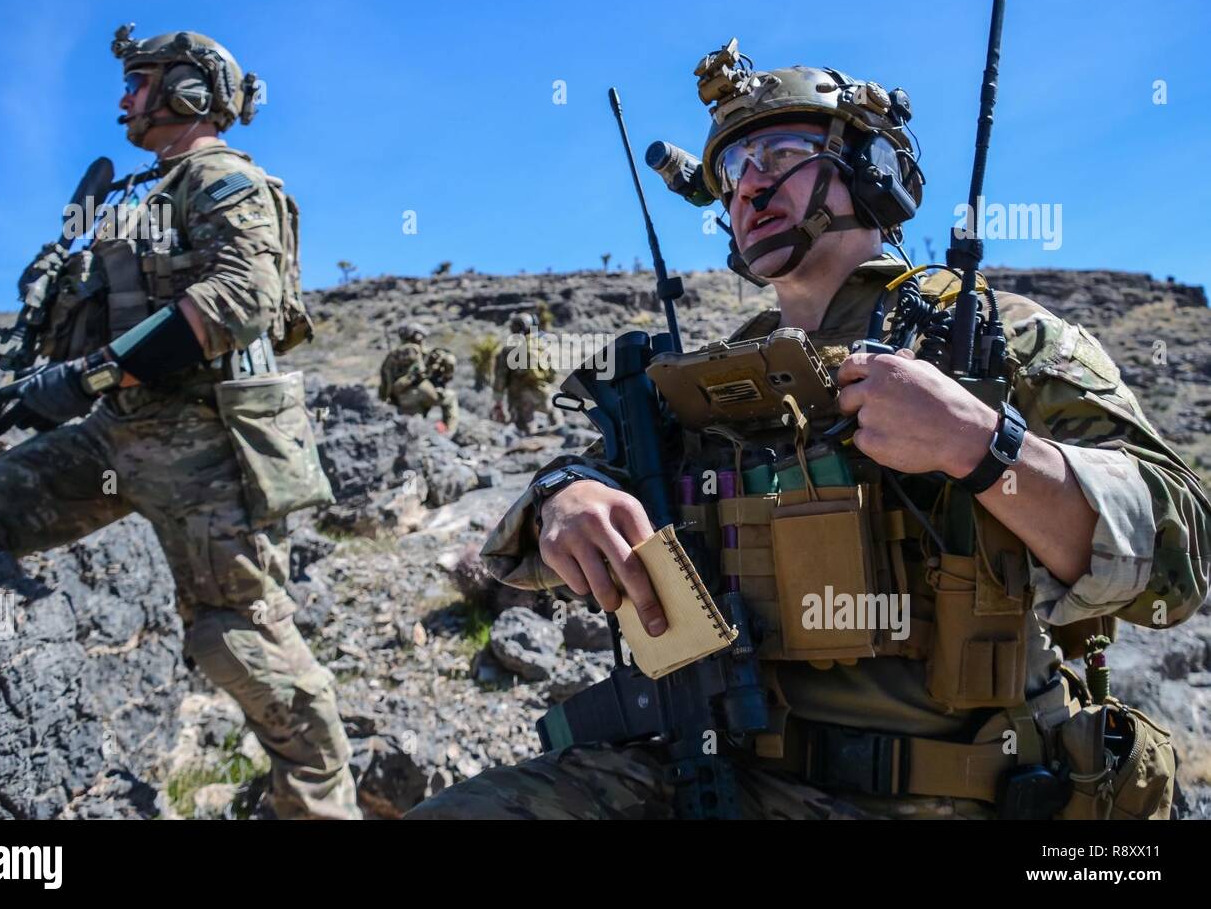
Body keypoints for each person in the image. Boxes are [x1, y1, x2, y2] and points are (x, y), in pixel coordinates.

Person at [407, 42, 1209, 820]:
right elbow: (536, 549)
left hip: (956, 795)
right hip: (725, 772)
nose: (748, 190)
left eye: (780, 154)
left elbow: (1188, 557)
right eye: (730, 173)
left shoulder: (994, 338)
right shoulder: (710, 383)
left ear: (871, 171)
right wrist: (563, 499)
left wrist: (985, 447)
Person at [0, 24, 359, 820]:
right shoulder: (129, 203)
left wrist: (87, 373)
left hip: (209, 445)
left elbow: (241, 298)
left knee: (240, 641)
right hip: (115, 433)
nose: (123, 97)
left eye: (140, 81)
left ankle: (322, 808)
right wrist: (46, 350)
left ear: (190, 91)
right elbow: (87, 330)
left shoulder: (223, 182)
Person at [378, 322, 459, 433]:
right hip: (425, 392)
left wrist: (389, 399)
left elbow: (384, 384)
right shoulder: (424, 352)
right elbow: (450, 361)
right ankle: (448, 433)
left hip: (402, 398)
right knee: (450, 397)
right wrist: (445, 378)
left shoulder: (391, 356)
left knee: (413, 428)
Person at [491, 312, 558, 433]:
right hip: (543, 395)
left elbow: (500, 378)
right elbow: (552, 375)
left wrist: (498, 402)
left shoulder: (509, 349)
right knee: (556, 430)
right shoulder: (542, 345)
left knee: (526, 433)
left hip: (520, 398)